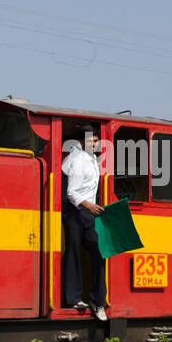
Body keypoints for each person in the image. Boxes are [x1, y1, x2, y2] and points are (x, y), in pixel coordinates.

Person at [61, 129, 107, 320]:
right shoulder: (79, 160)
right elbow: (72, 192)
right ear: (82, 141)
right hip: (77, 211)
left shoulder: (90, 159)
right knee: (73, 253)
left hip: (88, 212)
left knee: (99, 251)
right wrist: (89, 205)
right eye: (92, 141)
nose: (95, 144)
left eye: (97, 141)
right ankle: (73, 298)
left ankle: (98, 301)